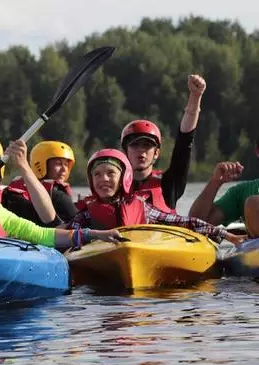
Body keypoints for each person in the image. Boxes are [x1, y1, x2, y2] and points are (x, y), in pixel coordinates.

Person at [65, 148, 244, 245]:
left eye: (110, 173)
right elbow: (69, 238)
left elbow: (182, 222)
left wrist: (226, 235)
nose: (103, 179)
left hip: (140, 253)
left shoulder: (141, 206)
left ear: (123, 179)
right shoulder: (86, 215)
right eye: (97, 174)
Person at [121, 74, 207, 213]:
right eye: (135, 145)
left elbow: (184, 141)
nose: (141, 151)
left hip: (163, 234)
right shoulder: (114, 186)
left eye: (147, 146)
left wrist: (195, 97)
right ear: (125, 152)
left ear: (156, 153)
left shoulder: (170, 183)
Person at [189, 136, 259, 237]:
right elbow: (194, 225)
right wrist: (215, 182)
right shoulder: (241, 193)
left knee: (253, 204)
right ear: (257, 152)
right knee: (253, 204)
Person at [4, 140, 78, 225]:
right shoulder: (58, 196)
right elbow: (79, 224)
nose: (64, 169)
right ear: (41, 164)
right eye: (58, 163)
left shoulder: (13, 189)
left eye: (66, 164)